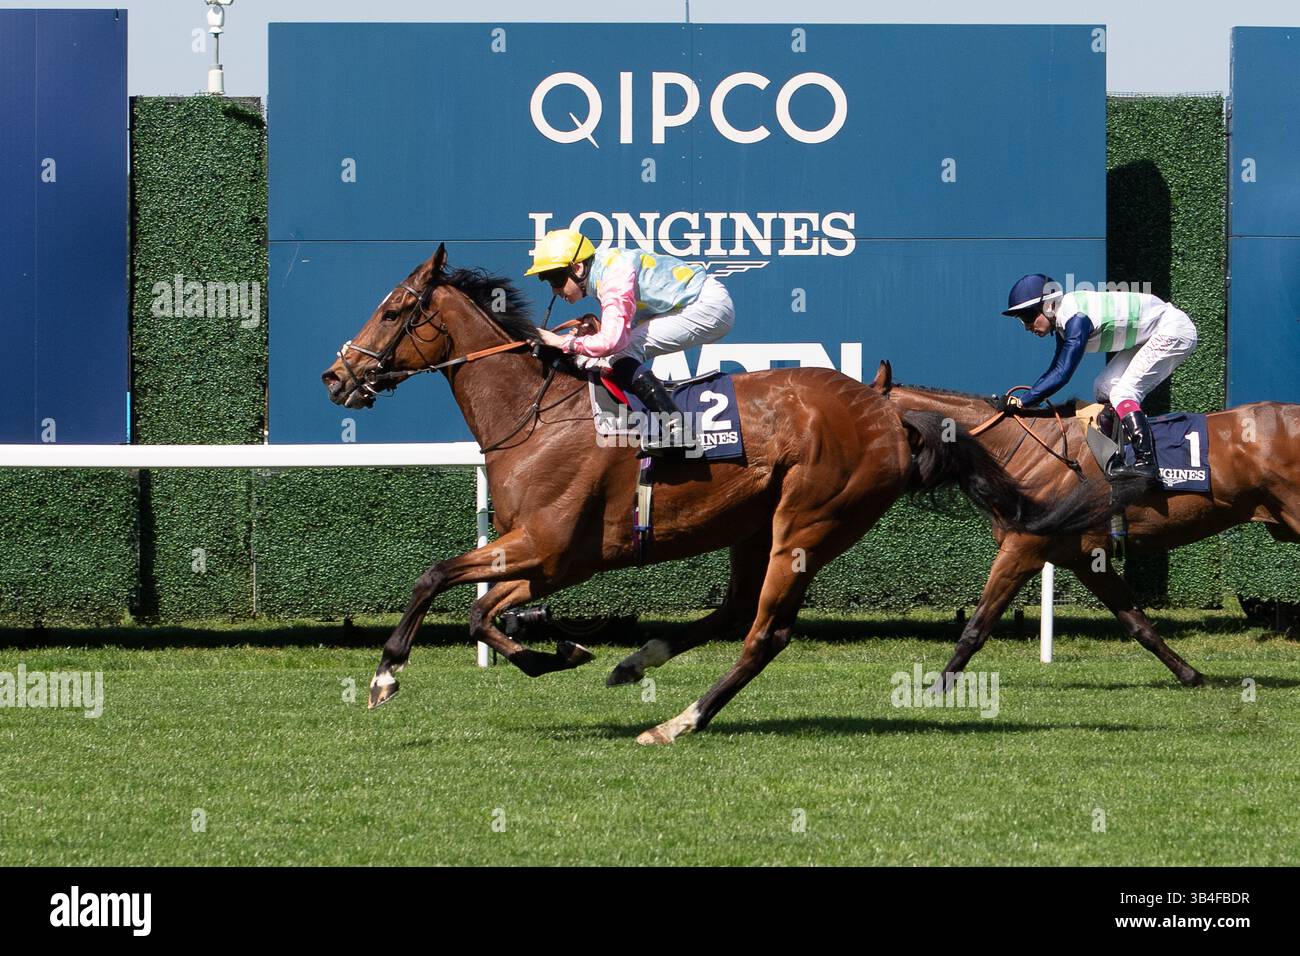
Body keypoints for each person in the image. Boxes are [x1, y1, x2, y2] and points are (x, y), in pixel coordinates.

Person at [525, 229, 735, 455]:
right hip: (690, 303)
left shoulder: (613, 275)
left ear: (578, 268)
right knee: (614, 353)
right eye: (548, 281)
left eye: (556, 278)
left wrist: (562, 343)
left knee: (621, 353)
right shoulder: (603, 270)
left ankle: (677, 430)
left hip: (706, 305)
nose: (556, 290)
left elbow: (612, 341)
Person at [1000, 273, 1199, 481]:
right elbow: (1056, 369)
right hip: (1152, 334)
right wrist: (1026, 399)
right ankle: (1117, 458)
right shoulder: (1064, 321)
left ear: (1049, 306)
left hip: (1173, 330)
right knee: (1103, 387)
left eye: (1028, 317)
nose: (1026, 326)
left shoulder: (1076, 317)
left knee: (1124, 392)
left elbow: (1063, 374)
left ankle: (1146, 463)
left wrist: (1024, 401)